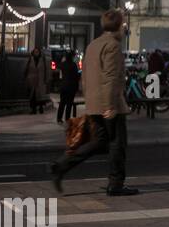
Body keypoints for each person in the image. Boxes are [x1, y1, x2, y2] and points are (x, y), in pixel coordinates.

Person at [51, 10, 138, 196]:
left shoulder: (93, 45)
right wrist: (110, 105)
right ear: (119, 26)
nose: (124, 28)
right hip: (109, 104)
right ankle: (116, 183)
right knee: (117, 143)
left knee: (98, 142)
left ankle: (62, 165)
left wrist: (91, 101)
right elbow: (110, 78)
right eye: (123, 25)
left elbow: (86, 77)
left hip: (93, 103)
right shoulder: (112, 46)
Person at [23, 46, 50, 114]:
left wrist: (46, 79)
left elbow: (46, 70)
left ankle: (41, 108)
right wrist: (26, 78)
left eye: (37, 52)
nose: (36, 53)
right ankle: (33, 109)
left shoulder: (42, 59)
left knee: (40, 96)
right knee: (33, 96)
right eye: (35, 52)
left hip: (40, 80)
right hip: (32, 80)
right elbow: (26, 69)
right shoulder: (30, 59)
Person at [56, 51, 80, 123]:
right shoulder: (73, 65)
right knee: (69, 103)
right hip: (71, 86)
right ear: (72, 57)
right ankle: (67, 118)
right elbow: (76, 76)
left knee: (62, 103)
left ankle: (59, 118)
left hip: (63, 86)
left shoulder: (62, 64)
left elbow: (60, 73)